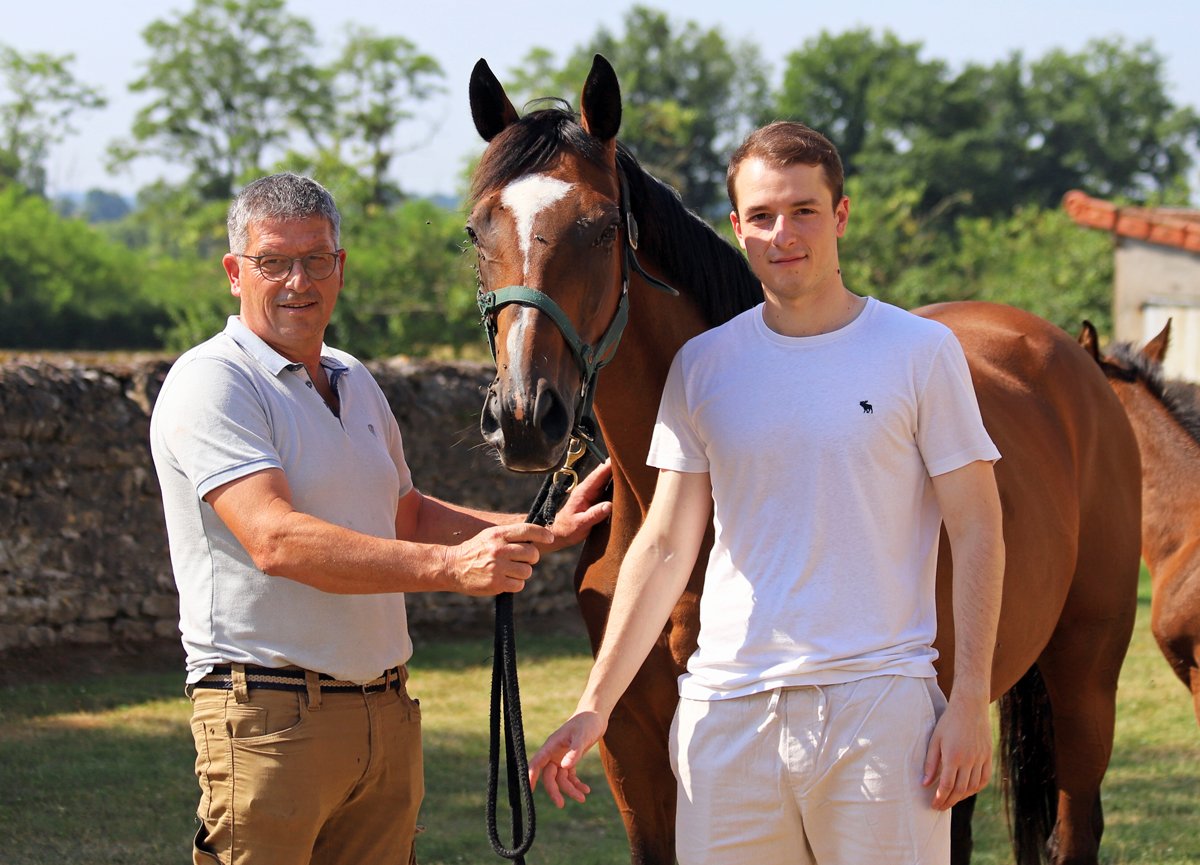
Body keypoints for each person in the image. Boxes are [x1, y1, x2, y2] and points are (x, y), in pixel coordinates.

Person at [527, 122, 1005, 864]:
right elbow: (663, 543)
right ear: (736, 227)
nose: (784, 234)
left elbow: (978, 528)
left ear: (841, 216)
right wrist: (596, 702)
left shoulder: (919, 353)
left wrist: (970, 698)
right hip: (726, 718)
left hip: (878, 707)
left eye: (804, 210)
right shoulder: (704, 366)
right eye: (762, 216)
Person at [149, 172, 611, 865]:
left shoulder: (353, 378)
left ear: (340, 267)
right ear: (233, 272)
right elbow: (273, 538)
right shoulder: (215, 379)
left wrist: (539, 532)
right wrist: (454, 570)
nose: (296, 281)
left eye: (315, 259)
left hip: (385, 713)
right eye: (272, 261)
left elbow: (407, 512)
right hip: (270, 717)